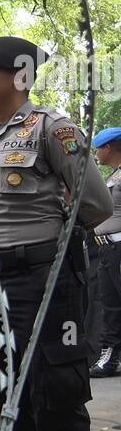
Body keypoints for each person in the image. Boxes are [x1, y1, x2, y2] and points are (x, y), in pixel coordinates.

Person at [0, 36, 112, 431]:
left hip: (43, 279)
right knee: (2, 398)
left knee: (56, 397)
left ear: (20, 76)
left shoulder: (53, 128)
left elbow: (95, 204)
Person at [91, 127, 121, 378]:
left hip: (119, 247)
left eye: (98, 148)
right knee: (110, 305)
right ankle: (110, 358)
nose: (96, 152)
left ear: (109, 148)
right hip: (107, 249)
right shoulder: (114, 176)